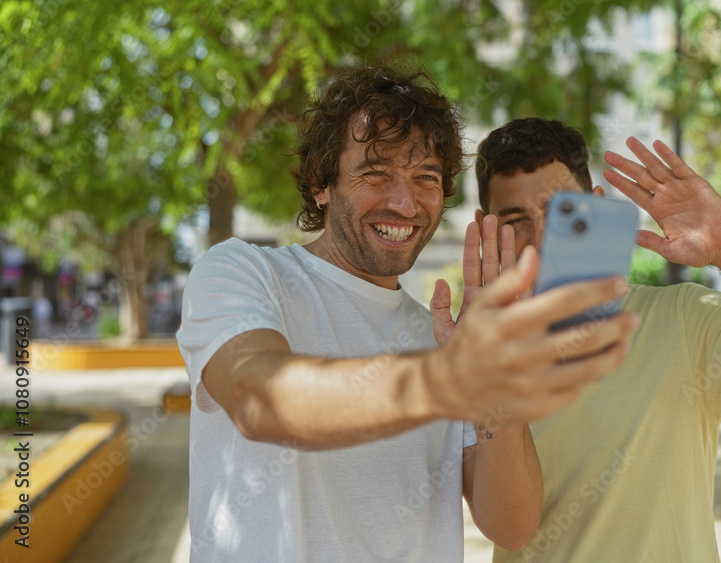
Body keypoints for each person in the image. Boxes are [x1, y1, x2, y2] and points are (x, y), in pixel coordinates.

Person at [175, 70, 637, 562]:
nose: (404, 202)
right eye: (376, 173)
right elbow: (259, 398)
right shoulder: (244, 272)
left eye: (426, 179)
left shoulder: (442, 336)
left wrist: (494, 388)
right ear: (320, 185)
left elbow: (512, 525)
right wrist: (451, 376)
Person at [463, 118, 721, 561]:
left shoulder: (688, 319)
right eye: (516, 220)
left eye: (562, 208)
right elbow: (509, 528)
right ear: (487, 229)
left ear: (596, 207)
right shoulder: (469, 357)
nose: (542, 238)